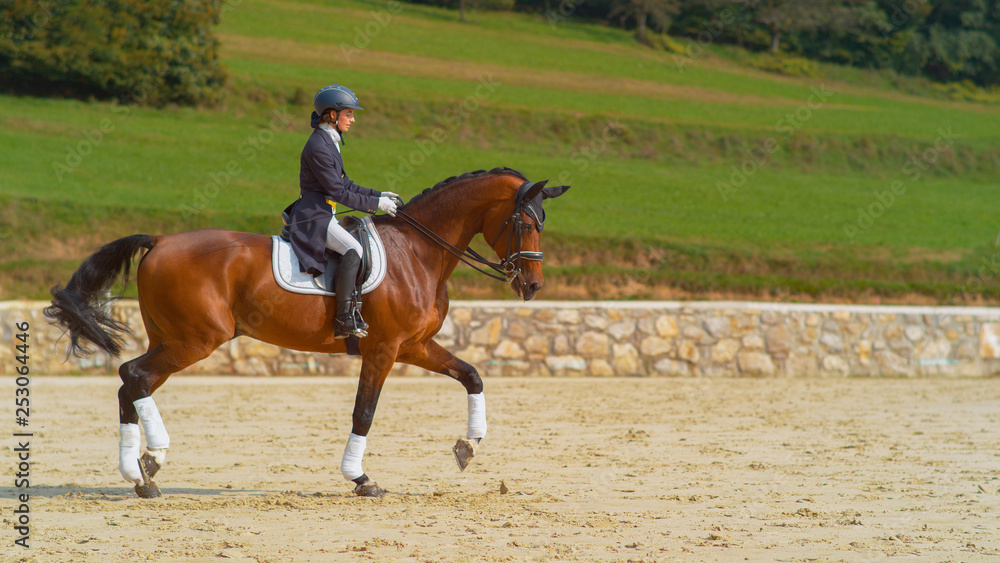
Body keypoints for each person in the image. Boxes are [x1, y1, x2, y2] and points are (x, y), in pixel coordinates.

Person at [285, 84, 398, 339]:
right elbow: (338, 192)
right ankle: (344, 318)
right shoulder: (318, 146)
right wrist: (375, 206)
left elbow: (346, 183)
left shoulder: (329, 142)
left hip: (326, 212)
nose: (353, 119)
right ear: (332, 115)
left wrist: (378, 195)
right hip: (315, 216)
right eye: (349, 113)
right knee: (354, 250)